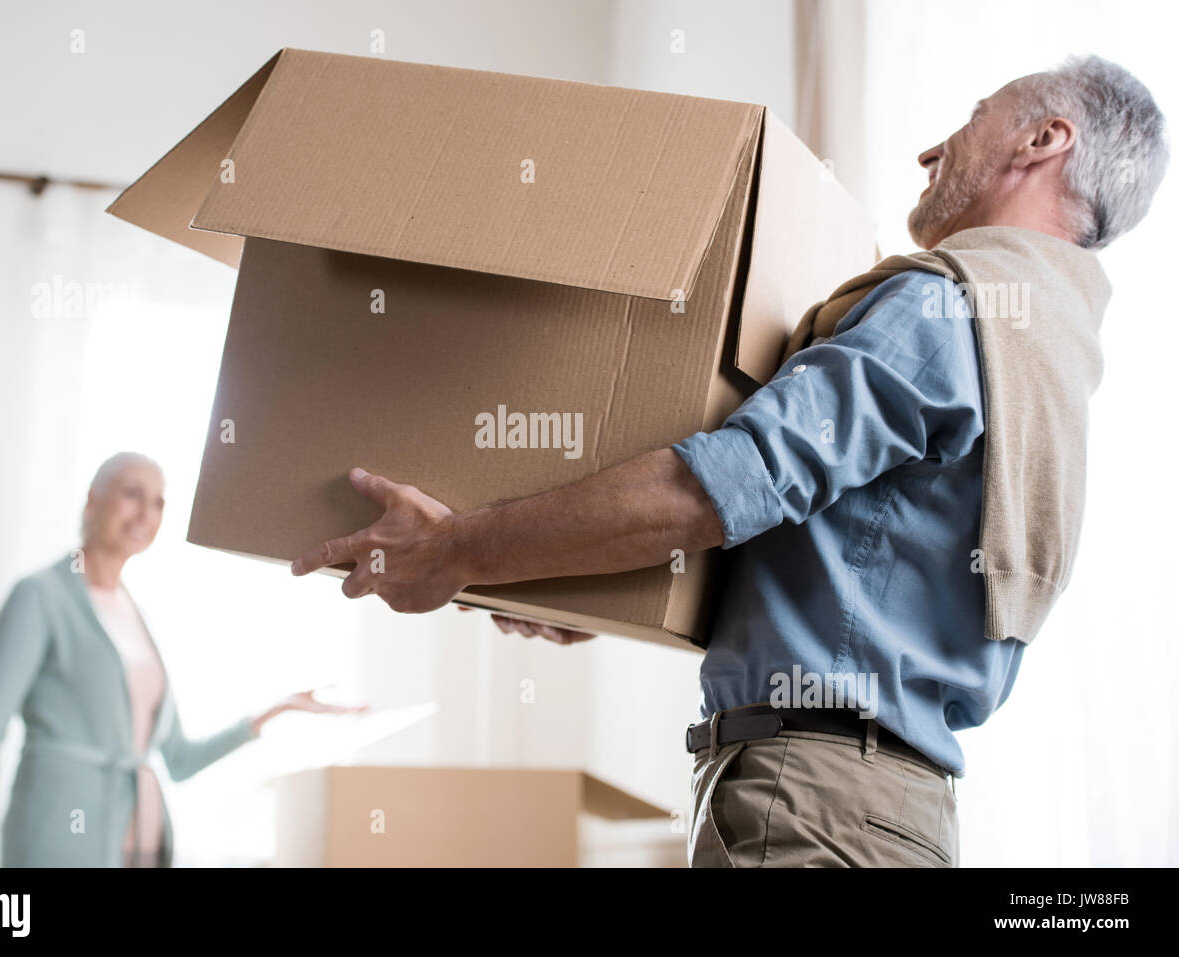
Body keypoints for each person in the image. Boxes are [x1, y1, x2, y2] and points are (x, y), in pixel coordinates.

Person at [290, 55, 1168, 867]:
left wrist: (461, 550)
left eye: (978, 116)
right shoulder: (1040, 350)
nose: (934, 148)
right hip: (887, 811)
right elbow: (840, 573)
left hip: (817, 801)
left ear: (1045, 140)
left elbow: (726, 484)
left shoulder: (942, 310)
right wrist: (572, 581)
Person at [0, 451, 364, 866]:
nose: (146, 512)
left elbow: (179, 759)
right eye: (132, 494)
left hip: (141, 832)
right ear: (93, 498)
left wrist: (278, 709)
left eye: (158, 502)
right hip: (58, 827)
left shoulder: (136, 618)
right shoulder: (40, 596)